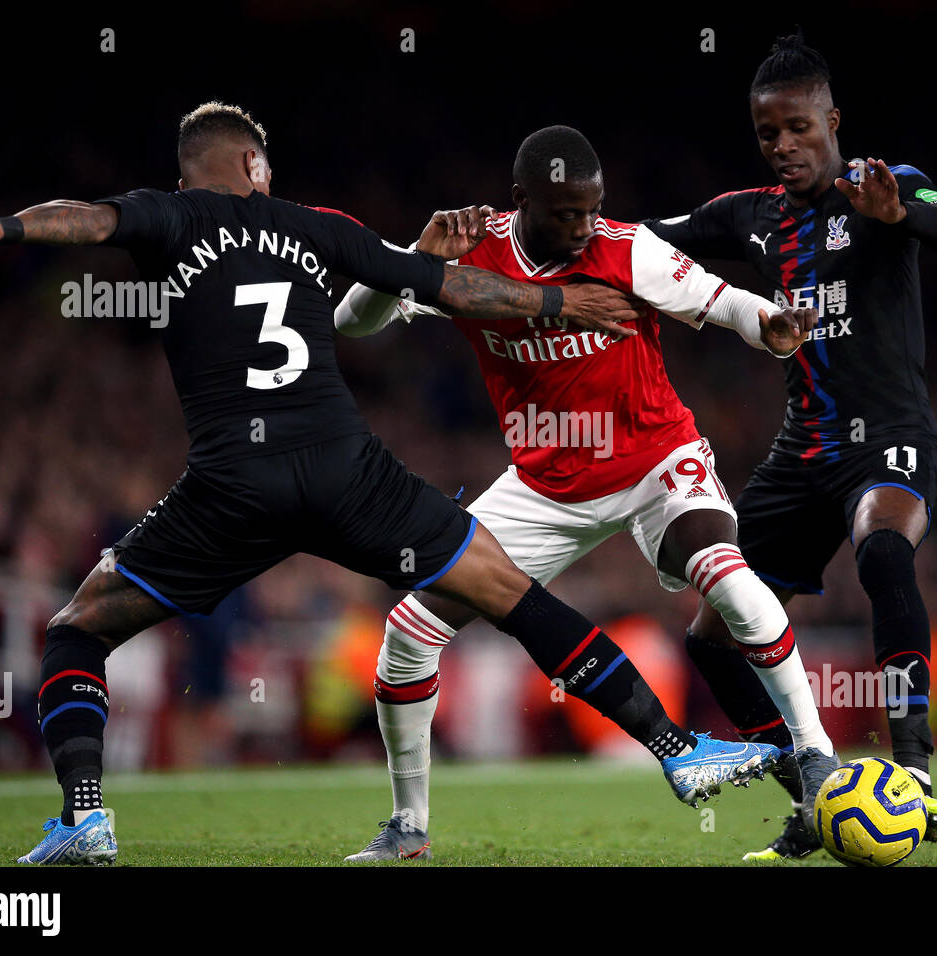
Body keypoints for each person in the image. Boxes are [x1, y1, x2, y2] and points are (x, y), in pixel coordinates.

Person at [0, 101, 778, 865]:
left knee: (78, 630)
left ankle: (83, 817)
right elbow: (445, 286)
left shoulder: (166, 214)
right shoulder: (314, 224)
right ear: (257, 166)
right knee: (513, 595)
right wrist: (557, 307)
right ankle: (677, 747)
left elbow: (87, 220)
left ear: (189, 171)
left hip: (231, 487)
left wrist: (5, 228)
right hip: (347, 472)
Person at [335, 125, 838, 862]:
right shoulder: (471, 252)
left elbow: (727, 303)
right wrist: (414, 261)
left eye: (590, 209)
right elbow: (355, 323)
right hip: (543, 487)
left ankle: (817, 754)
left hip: (654, 461)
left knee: (728, 577)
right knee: (408, 635)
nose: (581, 227)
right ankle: (409, 828)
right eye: (565, 213)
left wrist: (776, 327)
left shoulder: (628, 248)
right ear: (521, 201)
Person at [644, 32, 937, 859]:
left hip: (890, 439)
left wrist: (901, 213)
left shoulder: (884, 186)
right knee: (712, 638)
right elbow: (642, 241)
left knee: (883, 553)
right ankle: (818, 794)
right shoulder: (751, 215)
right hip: (802, 453)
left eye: (799, 128)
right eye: (769, 133)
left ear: (833, 120)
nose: (785, 146)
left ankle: (916, 771)